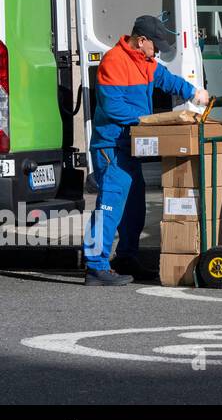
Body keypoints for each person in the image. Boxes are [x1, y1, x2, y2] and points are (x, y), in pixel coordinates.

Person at [85, 15, 209, 286]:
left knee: (134, 208)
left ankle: (126, 258)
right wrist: (147, 120)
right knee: (109, 207)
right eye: (156, 46)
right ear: (141, 41)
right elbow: (112, 107)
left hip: (130, 145)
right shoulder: (113, 62)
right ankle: (95, 266)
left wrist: (194, 93)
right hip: (112, 146)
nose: (159, 52)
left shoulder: (146, 62)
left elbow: (168, 80)